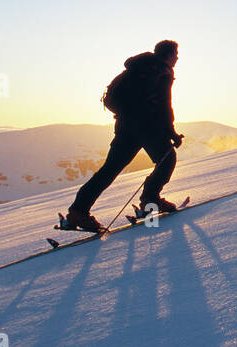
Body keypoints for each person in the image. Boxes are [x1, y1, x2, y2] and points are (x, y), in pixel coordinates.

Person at [64, 40, 185, 232]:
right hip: (145, 124)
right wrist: (172, 133)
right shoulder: (162, 71)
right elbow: (164, 105)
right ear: (169, 55)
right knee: (167, 158)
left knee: (110, 169)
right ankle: (150, 201)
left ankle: (78, 212)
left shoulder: (137, 67)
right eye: (175, 54)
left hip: (125, 124)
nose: (177, 58)